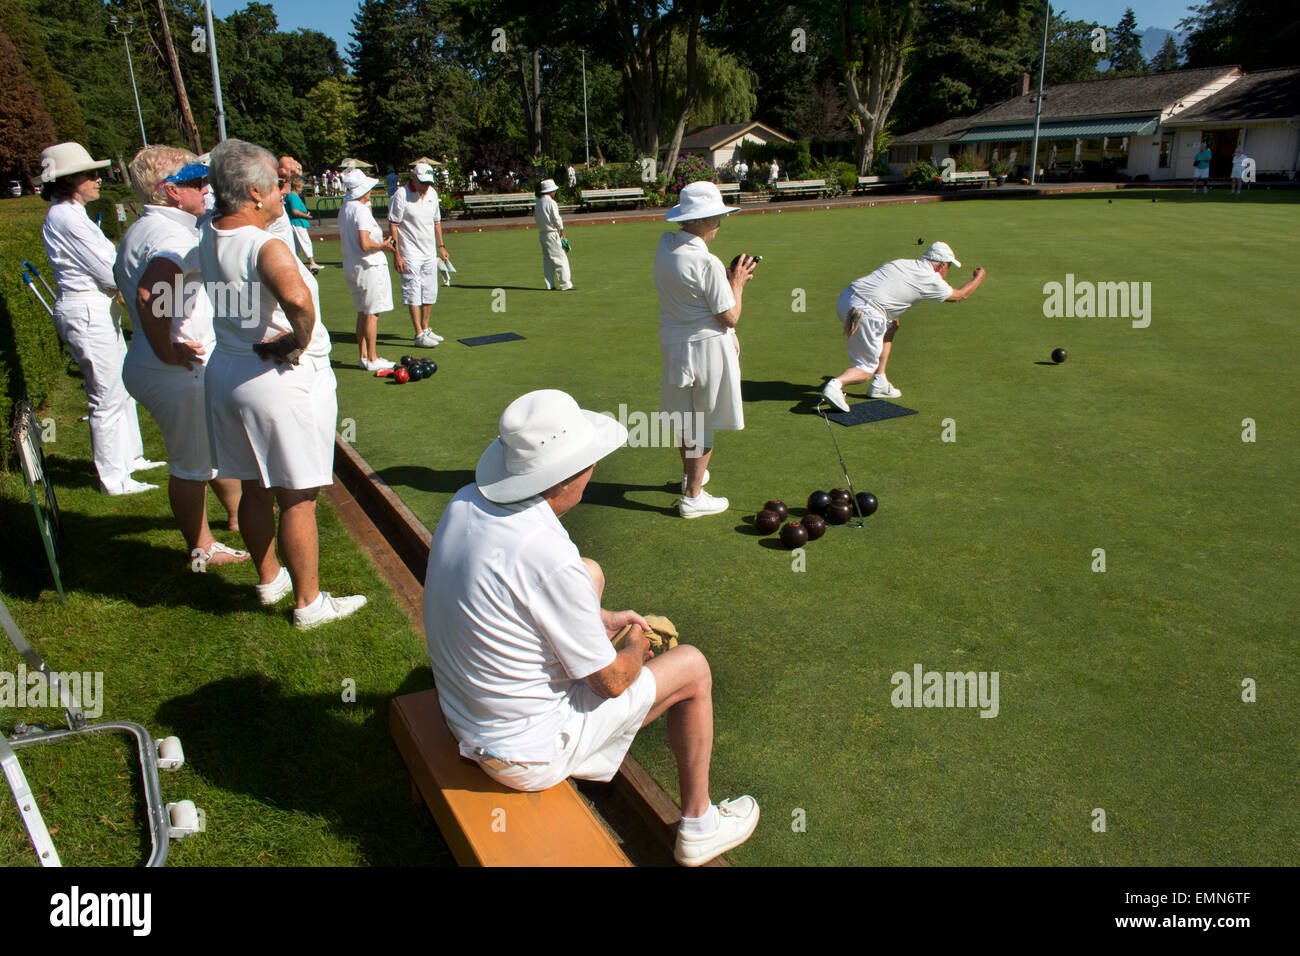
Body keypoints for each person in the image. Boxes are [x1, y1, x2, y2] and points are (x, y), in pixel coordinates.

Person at [423, 389, 760, 866]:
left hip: (460, 710)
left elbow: (522, 585)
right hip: (518, 753)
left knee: (591, 571)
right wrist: (636, 643)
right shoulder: (544, 550)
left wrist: (598, 620)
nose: (594, 470)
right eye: (590, 462)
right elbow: (610, 684)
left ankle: (578, 662)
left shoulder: (465, 502)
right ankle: (699, 826)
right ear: (564, 478)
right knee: (692, 668)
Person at [198, 138, 367, 629]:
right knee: (298, 495)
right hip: (277, 380)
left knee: (254, 488)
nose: (283, 192)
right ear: (254, 191)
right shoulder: (263, 243)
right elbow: (294, 294)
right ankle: (309, 605)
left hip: (227, 371)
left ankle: (271, 580)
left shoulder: (210, 234)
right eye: (278, 184)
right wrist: (301, 337)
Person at [115, 145, 247, 571]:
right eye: (195, 182)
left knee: (212, 449)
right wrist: (166, 347)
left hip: (160, 360)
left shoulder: (154, 226)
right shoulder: (168, 234)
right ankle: (202, 548)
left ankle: (235, 517)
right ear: (170, 191)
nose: (205, 188)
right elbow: (150, 293)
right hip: (176, 368)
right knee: (191, 464)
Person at [40, 141, 163, 495]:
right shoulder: (64, 216)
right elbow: (108, 271)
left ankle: (131, 459)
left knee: (120, 388)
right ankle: (113, 477)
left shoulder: (72, 213)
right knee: (105, 396)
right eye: (90, 174)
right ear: (67, 181)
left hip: (97, 308)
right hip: (87, 310)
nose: (98, 179)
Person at [655, 181, 756, 519]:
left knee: (687, 417)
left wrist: (723, 281)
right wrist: (737, 283)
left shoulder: (665, 246)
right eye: (714, 217)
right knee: (704, 422)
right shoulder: (707, 262)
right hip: (707, 348)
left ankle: (691, 476)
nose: (718, 224)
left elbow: (694, 289)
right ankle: (693, 496)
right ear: (699, 220)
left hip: (674, 343)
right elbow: (730, 316)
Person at [820, 242, 986, 412]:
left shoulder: (902, 263)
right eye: (949, 267)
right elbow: (960, 295)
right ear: (942, 265)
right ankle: (835, 386)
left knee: (892, 323)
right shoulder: (930, 279)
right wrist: (979, 277)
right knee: (865, 369)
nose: (947, 271)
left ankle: (880, 382)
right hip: (866, 312)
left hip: (845, 299)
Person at [338, 167, 396, 371]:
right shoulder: (360, 210)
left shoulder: (346, 208)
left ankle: (363, 356)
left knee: (362, 313)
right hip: (368, 266)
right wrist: (384, 245)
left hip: (352, 266)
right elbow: (365, 243)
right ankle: (372, 358)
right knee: (372, 314)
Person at [388, 162, 449, 348]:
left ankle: (426, 328)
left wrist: (441, 246)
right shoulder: (401, 195)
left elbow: (436, 222)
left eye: (429, 182)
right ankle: (418, 334)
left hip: (429, 252)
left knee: (430, 292)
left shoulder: (432, 193)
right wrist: (396, 254)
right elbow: (393, 225)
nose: (426, 186)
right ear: (413, 176)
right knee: (413, 293)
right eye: (423, 182)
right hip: (410, 254)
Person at [534, 178, 572, 291]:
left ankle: (549, 285)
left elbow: (536, 218)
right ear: (550, 191)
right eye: (554, 190)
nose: (555, 192)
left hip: (542, 234)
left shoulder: (538, 203)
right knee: (560, 258)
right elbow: (556, 219)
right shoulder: (551, 202)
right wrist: (562, 232)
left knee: (548, 260)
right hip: (552, 233)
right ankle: (565, 284)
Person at [284, 176, 323, 273]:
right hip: (297, 223)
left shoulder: (292, 196)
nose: (302, 190)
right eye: (301, 187)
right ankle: (312, 263)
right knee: (305, 242)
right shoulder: (293, 196)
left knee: (296, 245)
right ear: (296, 187)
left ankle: (295, 264)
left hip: (297, 222)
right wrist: (305, 215)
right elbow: (295, 211)